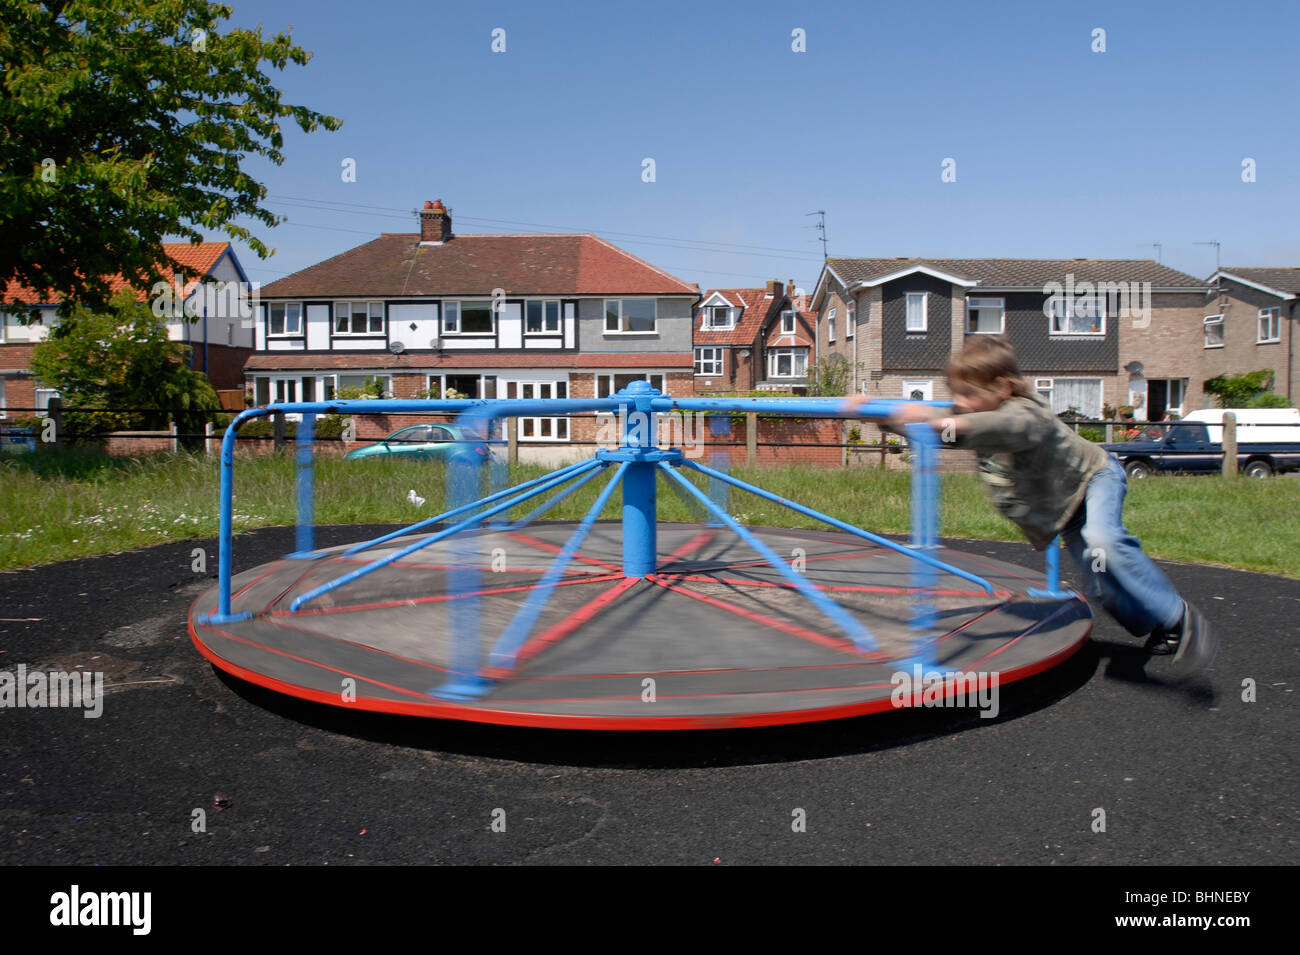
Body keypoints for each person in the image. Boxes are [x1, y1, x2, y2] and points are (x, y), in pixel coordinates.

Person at [842, 335, 1216, 681]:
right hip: (1067, 509)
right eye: (955, 393)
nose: (960, 402)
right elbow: (943, 433)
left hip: (1094, 479)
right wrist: (879, 415)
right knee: (1101, 583)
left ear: (1002, 387)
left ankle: (1180, 617)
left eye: (968, 393)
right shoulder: (976, 419)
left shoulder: (1026, 414)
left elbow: (997, 425)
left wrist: (935, 418)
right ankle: (1160, 623)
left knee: (1103, 542)